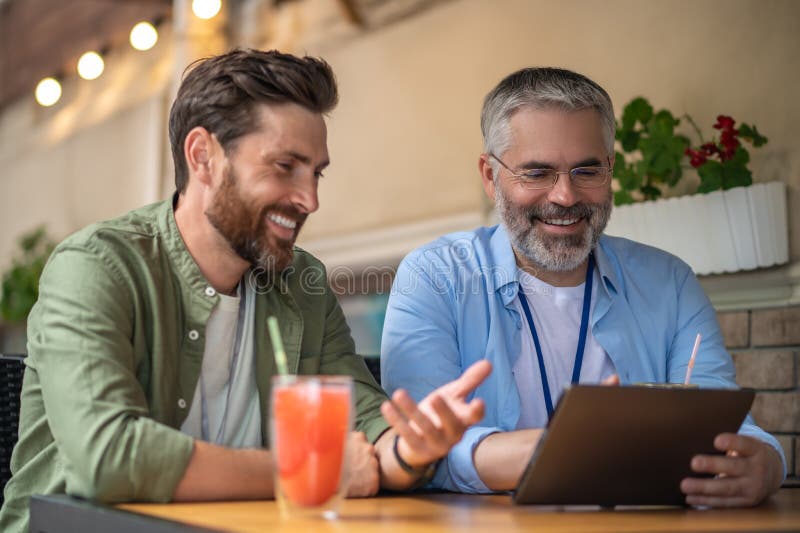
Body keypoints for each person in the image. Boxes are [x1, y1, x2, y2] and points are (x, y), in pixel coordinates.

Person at [0, 49, 490, 533]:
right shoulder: (97, 266)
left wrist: (408, 449)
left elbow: (363, 429)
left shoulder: (303, 283)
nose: (310, 199)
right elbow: (108, 457)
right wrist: (309, 475)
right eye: (285, 167)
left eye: (315, 172)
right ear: (203, 157)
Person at [381, 67, 786, 506]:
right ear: (489, 175)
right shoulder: (433, 276)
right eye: (537, 173)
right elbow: (418, 447)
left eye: (587, 171)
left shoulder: (670, 282)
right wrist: (564, 451)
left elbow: (726, 424)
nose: (565, 196)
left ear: (610, 167)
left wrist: (768, 464)